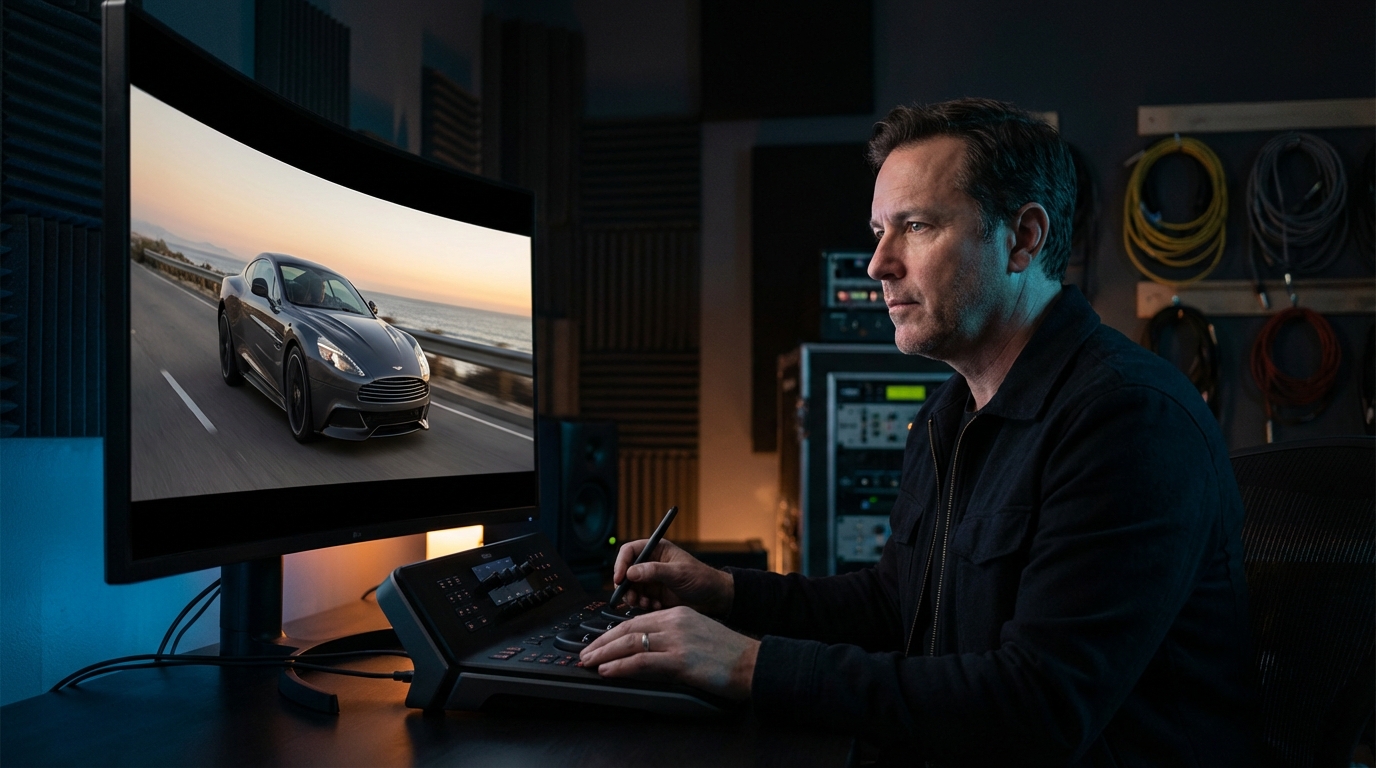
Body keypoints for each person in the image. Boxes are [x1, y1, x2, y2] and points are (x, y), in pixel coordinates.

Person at [580, 98, 1257, 765]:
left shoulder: (1126, 419)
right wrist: (727, 594)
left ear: (1023, 238)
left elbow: (1038, 707)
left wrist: (752, 665)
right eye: (878, 230)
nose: (878, 264)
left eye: (916, 226)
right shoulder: (950, 414)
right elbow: (894, 603)